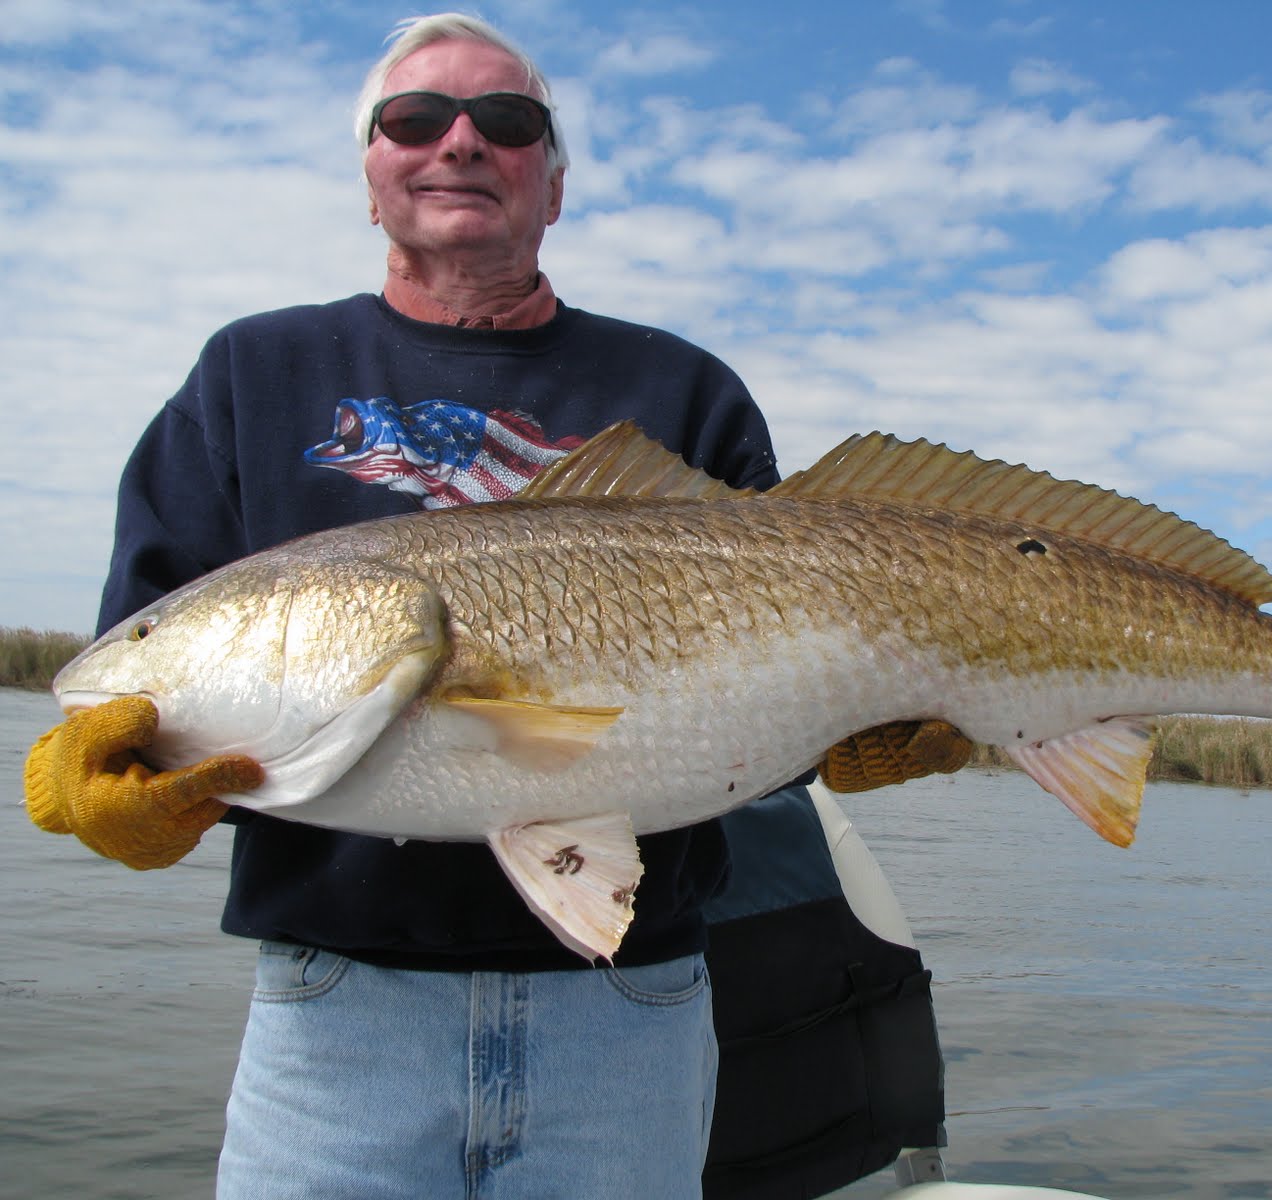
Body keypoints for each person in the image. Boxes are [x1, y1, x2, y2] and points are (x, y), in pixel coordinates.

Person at [24, 12, 964, 1199]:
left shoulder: (683, 387)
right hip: (336, 1016)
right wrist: (117, 778)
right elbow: (155, 672)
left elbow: (756, 698)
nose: (458, 142)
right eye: (414, 119)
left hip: (633, 1015)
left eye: (505, 122)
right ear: (371, 175)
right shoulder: (249, 375)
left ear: (553, 185)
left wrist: (851, 733)